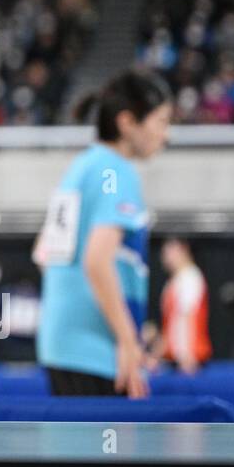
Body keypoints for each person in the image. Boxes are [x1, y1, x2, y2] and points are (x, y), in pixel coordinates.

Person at [34, 70, 172, 397]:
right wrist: (127, 340)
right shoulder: (117, 171)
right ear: (127, 122)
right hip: (97, 354)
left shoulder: (81, 166)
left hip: (61, 347)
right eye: (161, 122)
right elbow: (96, 261)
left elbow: (43, 253)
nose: (166, 135)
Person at [153, 238, 211, 375]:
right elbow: (169, 325)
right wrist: (156, 355)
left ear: (184, 250)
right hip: (176, 357)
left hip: (189, 359)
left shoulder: (190, 277)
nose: (165, 258)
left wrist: (186, 356)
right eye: (164, 253)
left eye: (169, 252)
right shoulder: (174, 281)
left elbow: (186, 317)